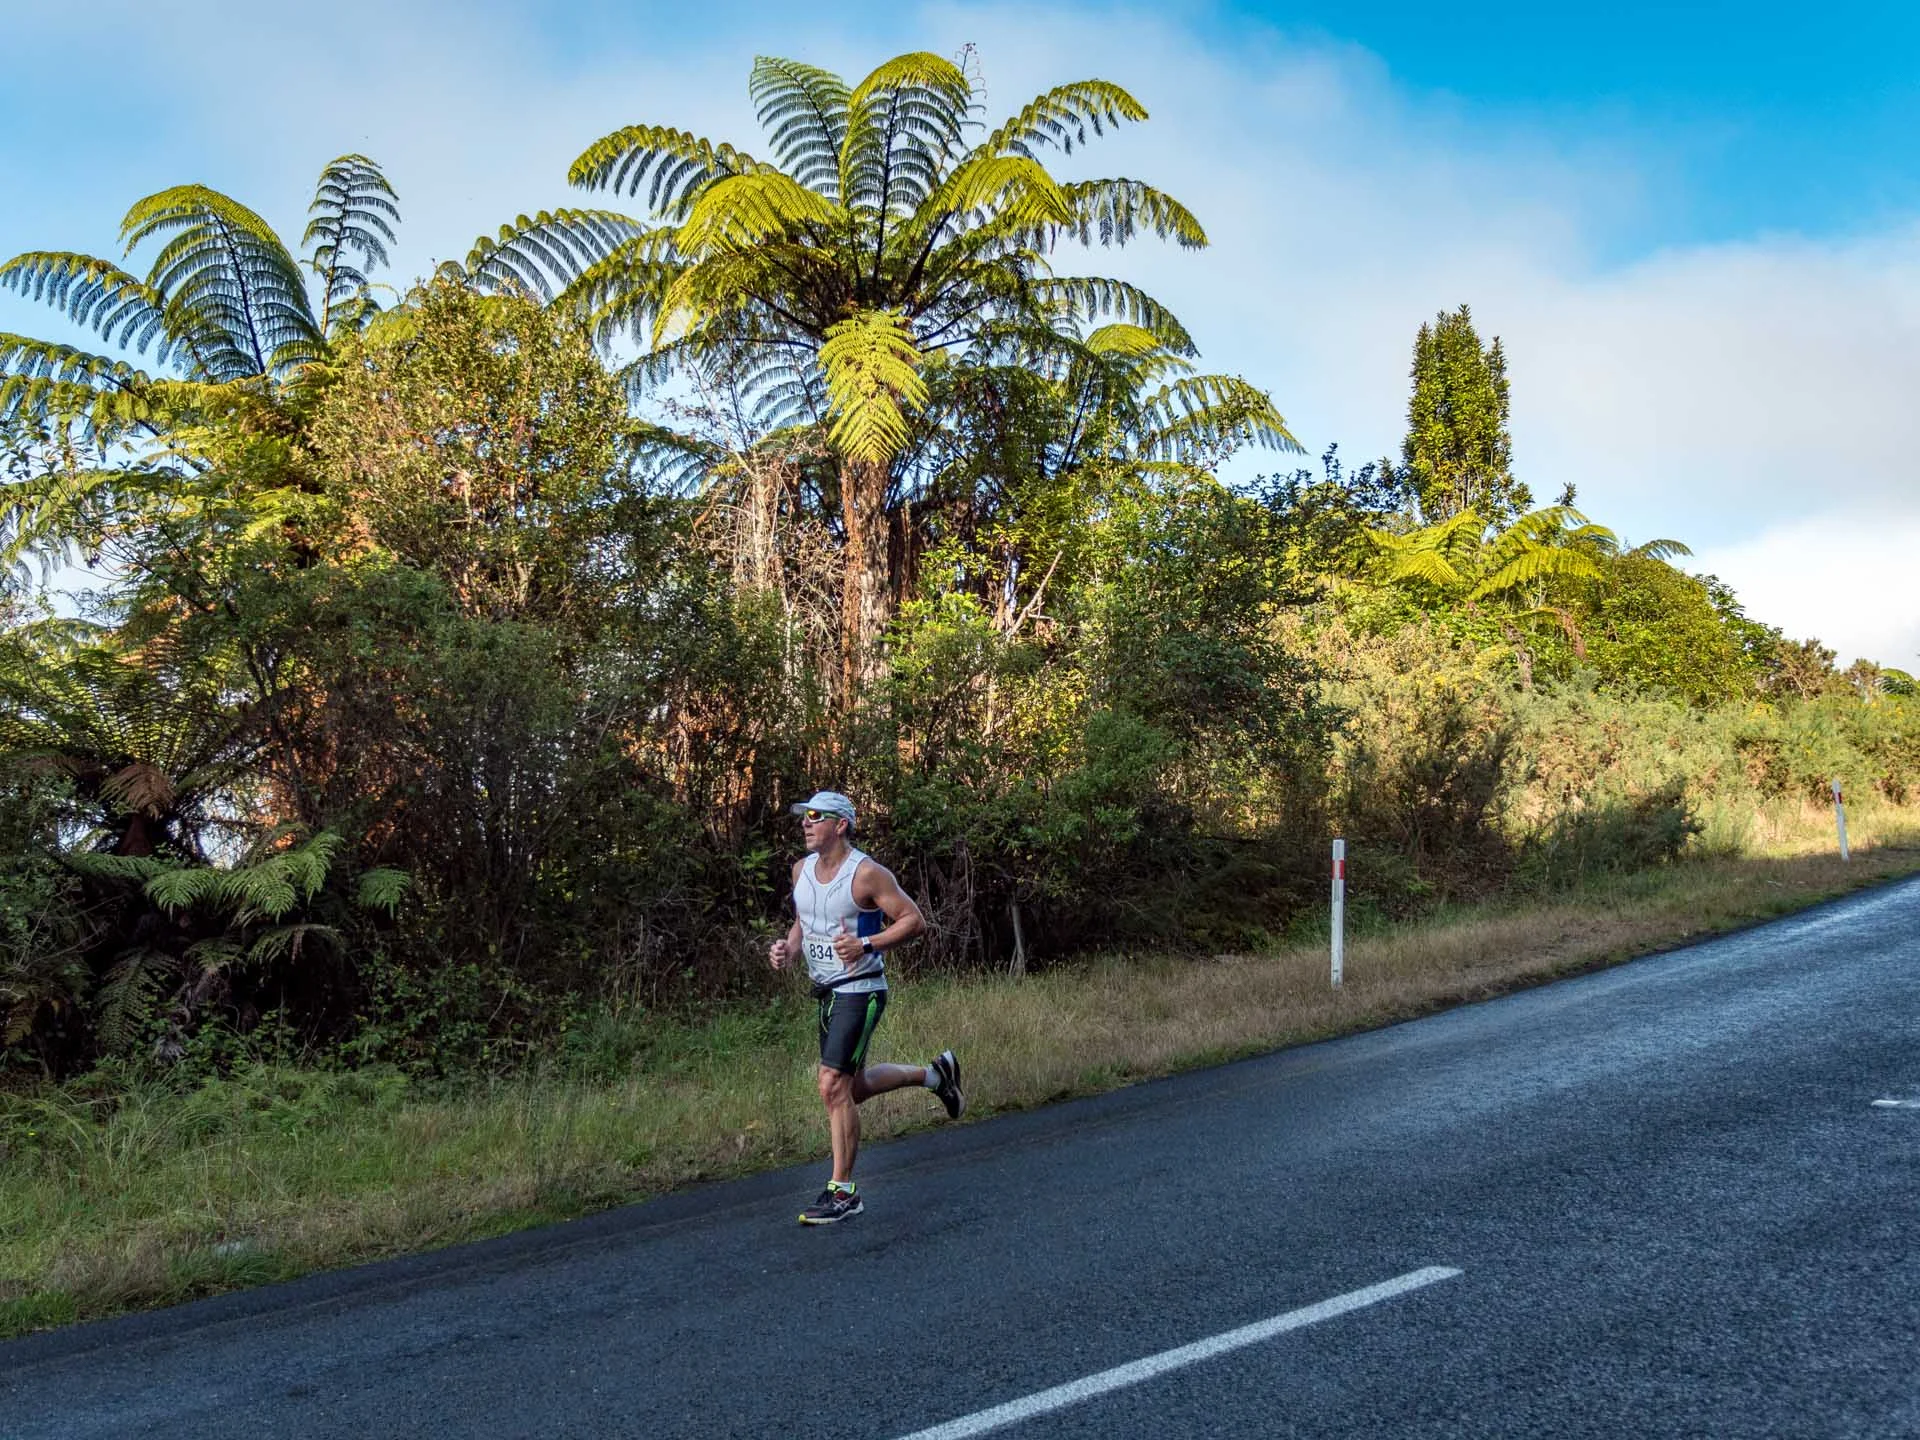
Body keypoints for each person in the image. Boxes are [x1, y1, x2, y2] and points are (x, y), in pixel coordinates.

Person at [769, 790, 962, 1224]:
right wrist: (788, 950)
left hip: (861, 988)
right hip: (825, 990)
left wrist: (866, 943)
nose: (806, 823)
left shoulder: (867, 874)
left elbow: (914, 920)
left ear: (840, 825)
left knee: (831, 1085)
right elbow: (805, 922)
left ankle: (843, 1191)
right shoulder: (800, 870)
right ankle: (935, 1076)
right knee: (850, 1090)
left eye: (816, 817)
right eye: (804, 816)